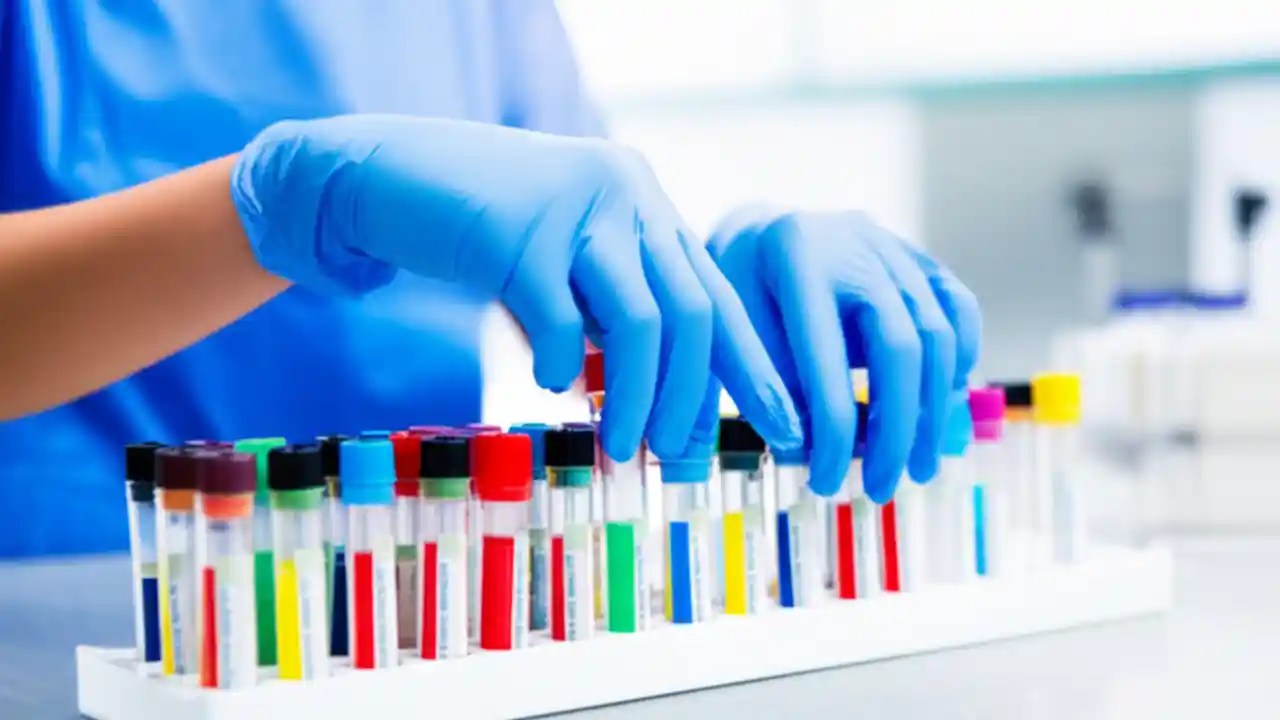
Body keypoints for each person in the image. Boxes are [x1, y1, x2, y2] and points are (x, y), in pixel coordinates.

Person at [0, 1, 980, 557]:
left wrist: (717, 303)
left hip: (400, 602)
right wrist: (285, 207)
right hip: (71, 602)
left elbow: (577, 262)